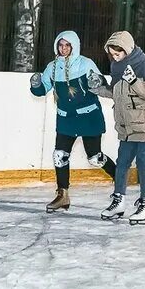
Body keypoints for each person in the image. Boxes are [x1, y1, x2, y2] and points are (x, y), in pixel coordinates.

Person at [29, 30, 116, 213]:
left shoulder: (85, 63)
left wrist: (97, 81)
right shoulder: (52, 67)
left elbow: (102, 86)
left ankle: (118, 177)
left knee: (95, 158)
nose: (63, 49)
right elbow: (42, 90)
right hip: (66, 119)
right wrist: (36, 84)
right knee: (59, 155)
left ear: (74, 46)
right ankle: (63, 195)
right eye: (60, 45)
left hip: (88, 118)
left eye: (67, 45)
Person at [88, 31, 145, 224]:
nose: (115, 57)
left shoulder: (144, 63)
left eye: (118, 53)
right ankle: (119, 202)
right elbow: (116, 93)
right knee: (121, 164)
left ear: (127, 49)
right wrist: (97, 88)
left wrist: (134, 81)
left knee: (143, 165)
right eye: (112, 54)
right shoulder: (116, 66)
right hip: (127, 127)